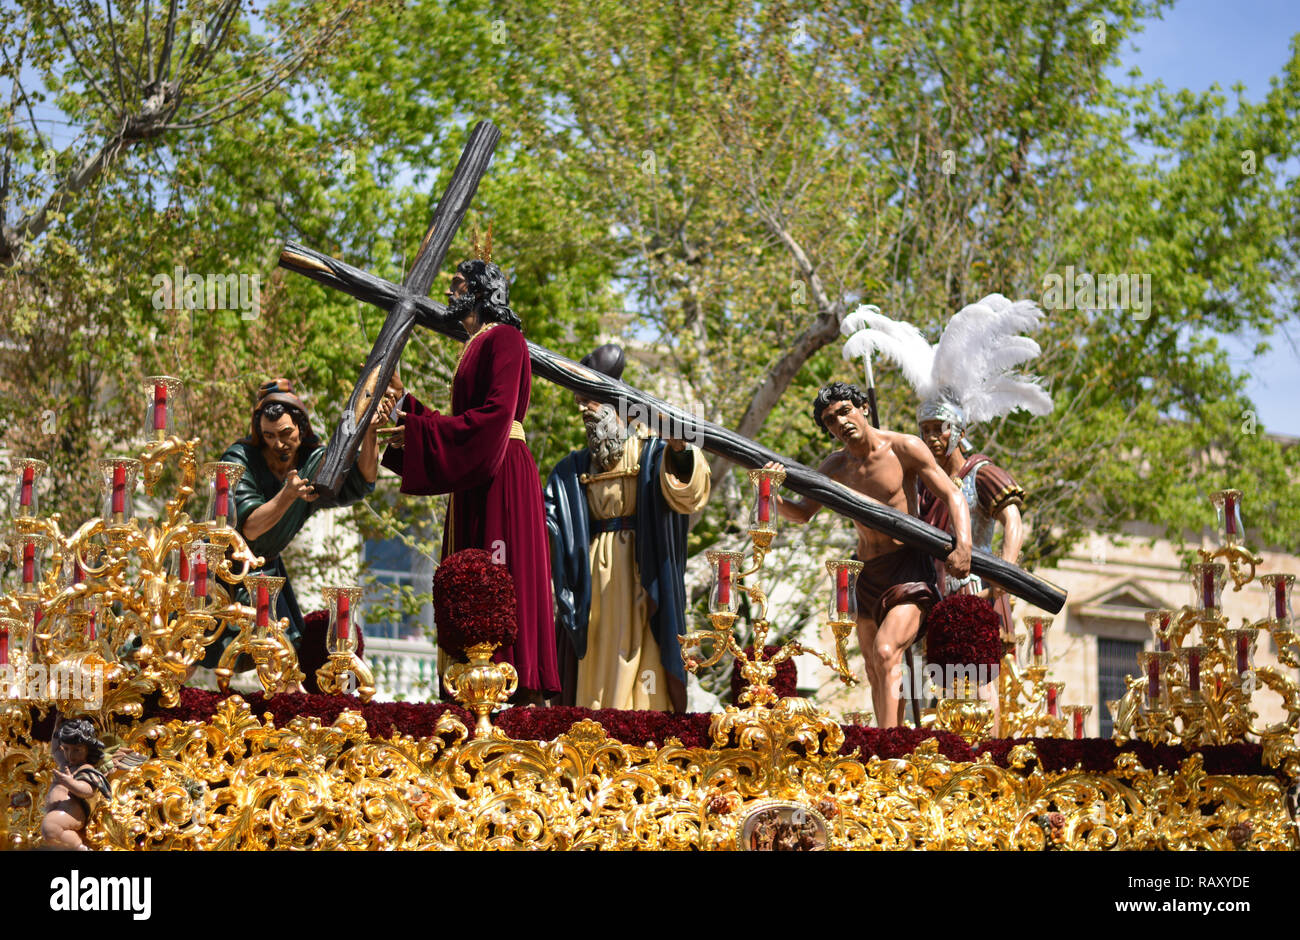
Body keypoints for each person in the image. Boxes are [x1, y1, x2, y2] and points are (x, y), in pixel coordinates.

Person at [380, 259, 559, 702]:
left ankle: (508, 682)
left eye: (458, 284)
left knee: (500, 571)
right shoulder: (477, 342)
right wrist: (408, 409)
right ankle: (471, 687)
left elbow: (494, 418)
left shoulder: (506, 338)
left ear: (481, 290)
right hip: (483, 470)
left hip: (502, 471)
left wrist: (419, 431)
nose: (449, 292)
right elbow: (467, 422)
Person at [766, 382, 972, 728]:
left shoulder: (904, 447)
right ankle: (890, 740)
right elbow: (802, 514)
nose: (841, 422)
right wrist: (769, 493)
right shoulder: (835, 467)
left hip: (908, 568)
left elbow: (953, 493)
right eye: (831, 420)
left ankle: (889, 744)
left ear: (862, 408)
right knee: (875, 667)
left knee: (886, 651)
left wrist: (963, 545)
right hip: (866, 574)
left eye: (845, 411)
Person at [544, 343, 711, 712]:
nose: (586, 416)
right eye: (582, 410)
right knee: (596, 651)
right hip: (590, 579)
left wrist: (681, 448)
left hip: (641, 571)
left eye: (592, 406)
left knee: (642, 653)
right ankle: (592, 727)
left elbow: (690, 491)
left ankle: (641, 726)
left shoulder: (651, 453)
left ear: (617, 408)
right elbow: (549, 518)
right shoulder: (572, 468)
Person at [202, 378, 389, 684]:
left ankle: (280, 726)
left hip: (266, 573)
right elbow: (249, 527)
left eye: (286, 433)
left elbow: (361, 481)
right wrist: (287, 495)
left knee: (285, 656)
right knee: (189, 646)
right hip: (219, 570)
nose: (279, 444)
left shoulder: (314, 462)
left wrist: (369, 433)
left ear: (301, 428)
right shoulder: (239, 460)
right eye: (269, 436)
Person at [42, 718, 111, 849]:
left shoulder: (86, 769)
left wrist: (70, 783)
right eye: (66, 749)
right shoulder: (65, 763)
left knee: (50, 826)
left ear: (88, 749)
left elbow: (87, 791)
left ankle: (81, 848)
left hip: (73, 812)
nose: (70, 755)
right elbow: (56, 749)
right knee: (51, 830)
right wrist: (57, 727)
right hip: (59, 813)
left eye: (76, 750)